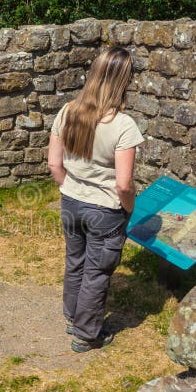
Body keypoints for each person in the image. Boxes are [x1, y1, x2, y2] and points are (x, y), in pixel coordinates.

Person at [47, 47, 144, 353]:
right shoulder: (123, 125)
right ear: (122, 81)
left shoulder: (68, 111)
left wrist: (73, 189)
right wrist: (128, 209)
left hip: (71, 201)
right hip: (105, 209)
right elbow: (124, 183)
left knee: (75, 262)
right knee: (97, 271)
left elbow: (54, 164)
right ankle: (87, 334)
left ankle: (72, 317)